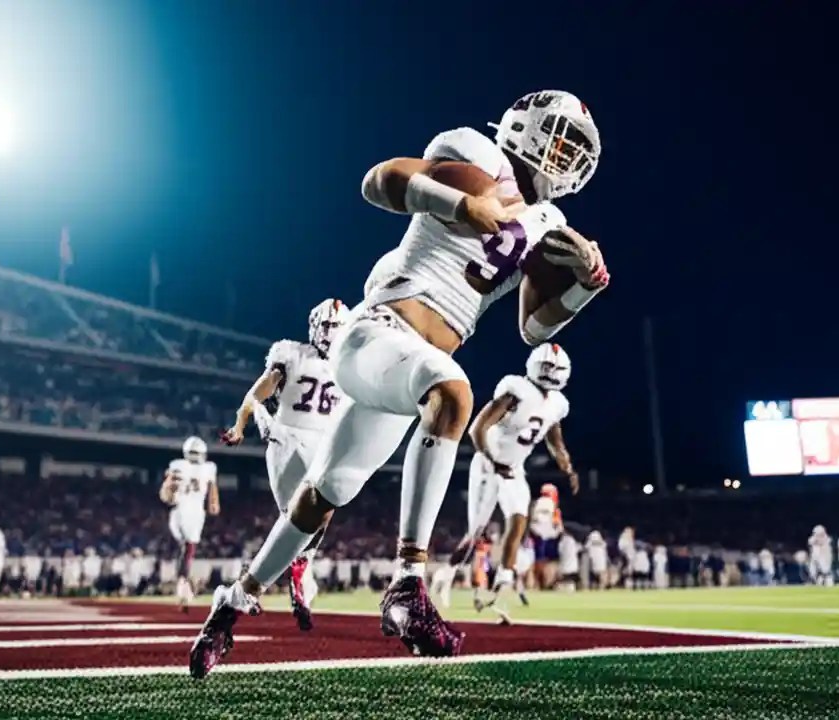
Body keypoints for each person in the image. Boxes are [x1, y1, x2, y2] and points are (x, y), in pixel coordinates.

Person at [190, 90, 607, 678]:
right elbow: (380, 180)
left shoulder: (550, 222)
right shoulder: (480, 155)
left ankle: (229, 605)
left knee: (323, 495)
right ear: (529, 127)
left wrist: (585, 285)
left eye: (577, 151)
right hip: (379, 330)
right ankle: (408, 583)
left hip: (410, 367)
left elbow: (535, 327)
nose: (568, 159)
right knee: (455, 393)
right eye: (562, 140)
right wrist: (465, 208)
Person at [222, 298, 351, 631]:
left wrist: (242, 421)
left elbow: (260, 390)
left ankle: (267, 581)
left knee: (297, 520)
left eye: (332, 327)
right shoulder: (344, 364)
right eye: (324, 326)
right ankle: (299, 566)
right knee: (314, 514)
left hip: (288, 440)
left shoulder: (294, 353)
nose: (327, 332)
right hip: (303, 440)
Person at [448, 343, 578, 610]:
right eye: (547, 367)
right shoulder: (516, 390)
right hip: (488, 462)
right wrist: (493, 460)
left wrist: (568, 468)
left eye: (556, 368)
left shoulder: (556, 404)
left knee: (519, 518)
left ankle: (504, 579)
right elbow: (477, 429)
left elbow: (556, 442)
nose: (551, 373)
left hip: (514, 468)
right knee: (475, 534)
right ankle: (445, 575)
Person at [160, 437, 220, 612]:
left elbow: (166, 493)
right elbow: (212, 491)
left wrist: (168, 493)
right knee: (188, 549)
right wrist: (214, 504)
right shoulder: (209, 468)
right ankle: (183, 584)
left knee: (185, 548)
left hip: (178, 510)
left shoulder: (177, 465)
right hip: (194, 512)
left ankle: (182, 583)